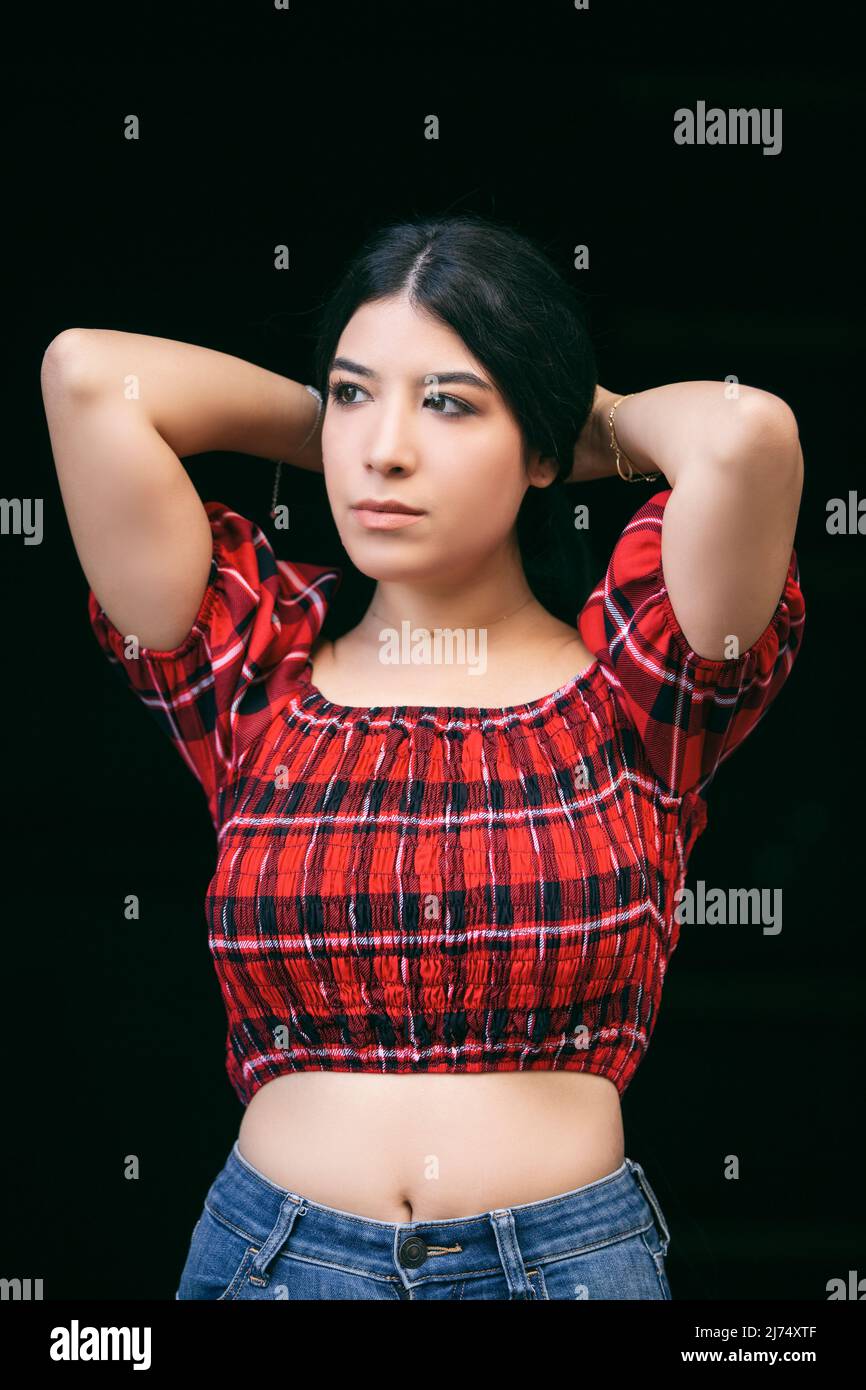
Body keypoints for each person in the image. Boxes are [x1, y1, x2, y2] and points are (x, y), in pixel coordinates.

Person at [40, 214, 805, 1300]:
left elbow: (747, 438)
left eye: (448, 403)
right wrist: (351, 424)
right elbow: (85, 375)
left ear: (540, 445)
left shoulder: (639, 687)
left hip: (559, 1270)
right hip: (274, 1264)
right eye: (354, 394)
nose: (385, 447)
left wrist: (584, 422)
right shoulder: (252, 667)